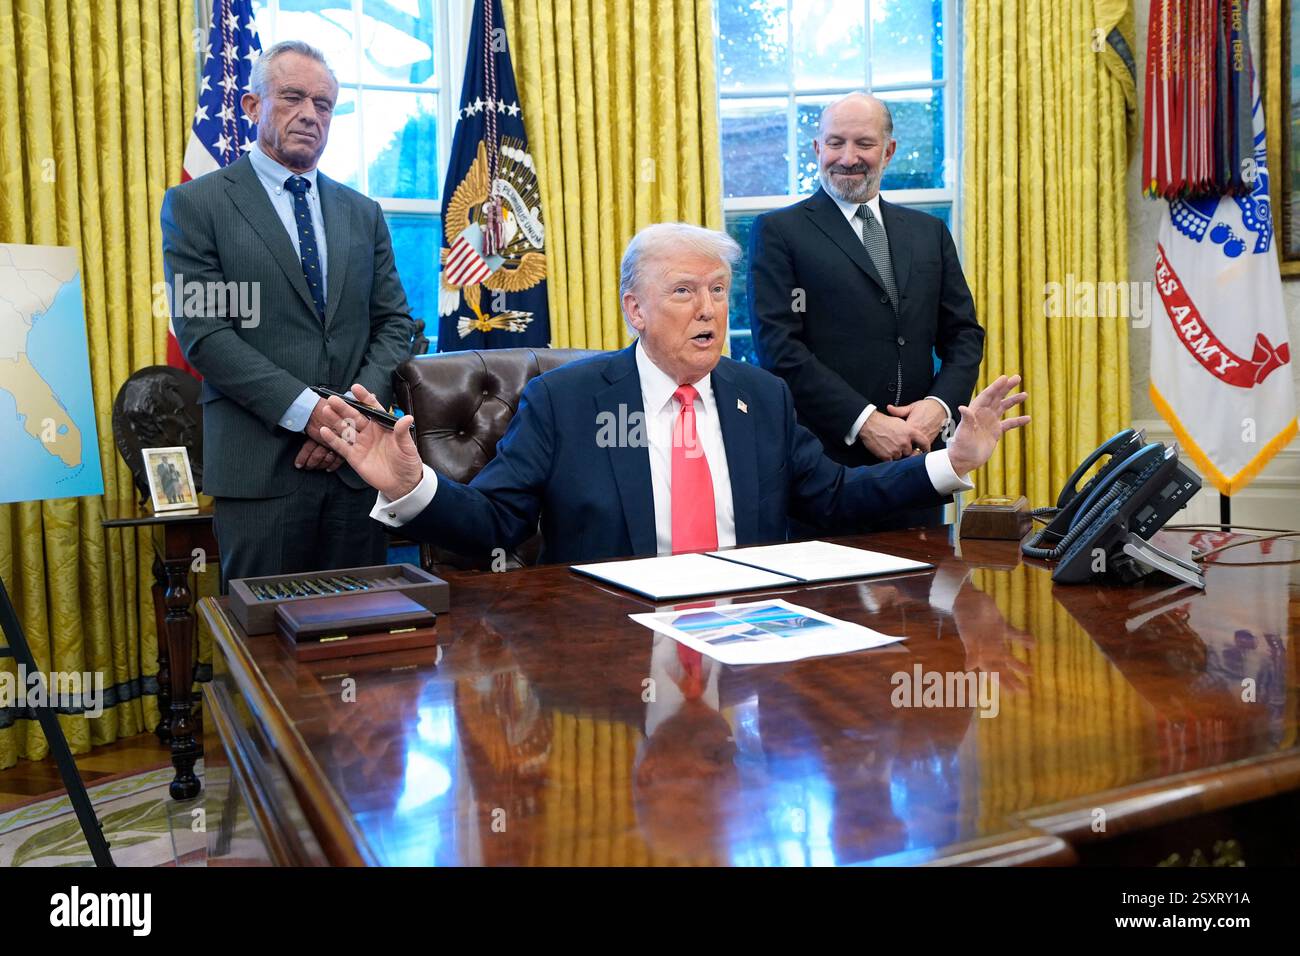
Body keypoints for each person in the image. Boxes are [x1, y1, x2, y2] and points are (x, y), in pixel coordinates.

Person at [314, 223, 1026, 565]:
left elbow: (835, 499)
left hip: (754, 633)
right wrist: (413, 488)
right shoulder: (568, 402)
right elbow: (496, 520)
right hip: (609, 644)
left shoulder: (762, 396)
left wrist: (951, 463)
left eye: (718, 291)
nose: (709, 311)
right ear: (636, 310)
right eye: (684, 292)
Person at [160, 40, 415, 585]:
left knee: (364, 641)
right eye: (293, 97)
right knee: (263, 650)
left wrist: (347, 417)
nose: (310, 115)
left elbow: (395, 323)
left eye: (323, 104)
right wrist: (310, 414)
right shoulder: (198, 205)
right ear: (252, 106)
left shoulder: (363, 213)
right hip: (261, 471)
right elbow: (206, 334)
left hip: (357, 467)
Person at [748, 92, 985, 530]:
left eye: (864, 143)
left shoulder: (929, 233)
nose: (848, 157)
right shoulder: (779, 232)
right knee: (827, 598)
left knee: (925, 594)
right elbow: (780, 349)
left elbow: (964, 336)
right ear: (817, 149)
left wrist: (938, 407)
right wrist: (866, 422)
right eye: (835, 143)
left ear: (889, 151)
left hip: (918, 461)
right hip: (824, 468)